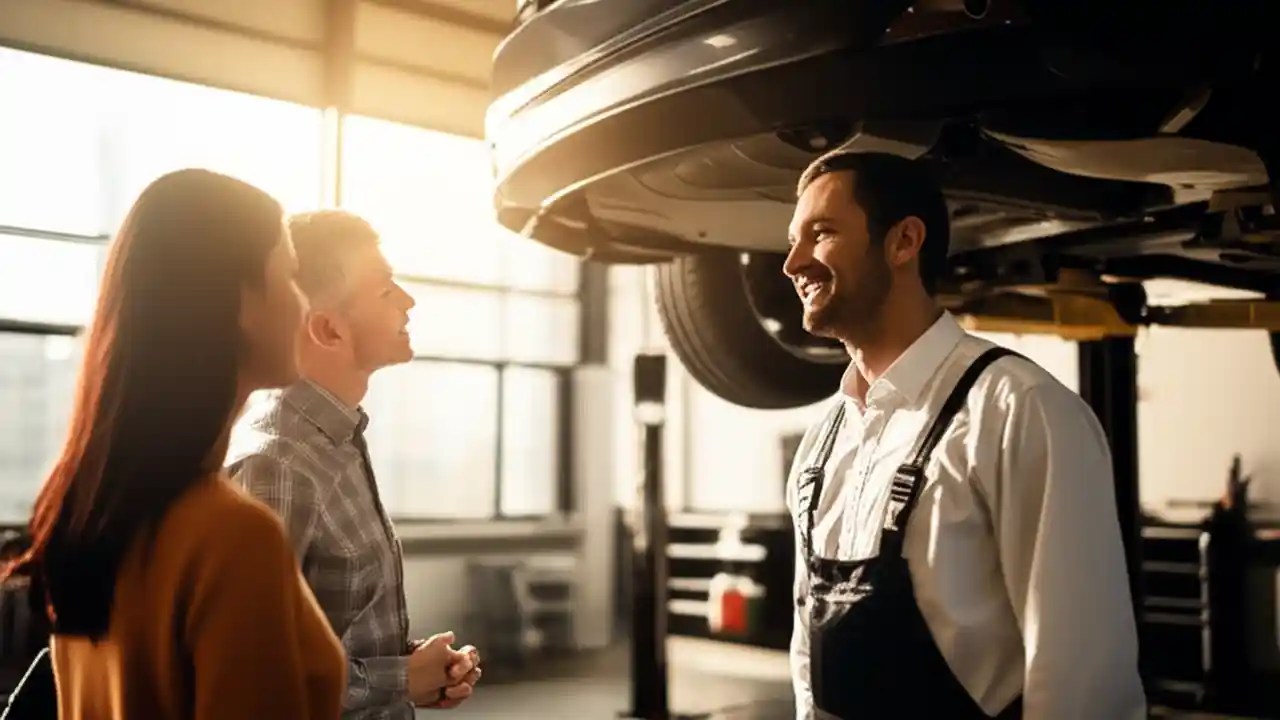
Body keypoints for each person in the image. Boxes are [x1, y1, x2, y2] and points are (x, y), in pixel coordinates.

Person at [782, 151, 1147, 719]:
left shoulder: (1018, 411)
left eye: (821, 233)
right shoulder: (824, 439)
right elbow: (810, 653)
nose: (792, 263)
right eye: (793, 240)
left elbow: (1080, 673)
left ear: (904, 241)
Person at [0, 169, 347, 718]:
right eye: (292, 277)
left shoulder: (92, 511)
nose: (304, 306)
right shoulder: (232, 536)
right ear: (238, 299)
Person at [227, 210, 481, 719]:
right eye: (387, 291)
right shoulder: (276, 466)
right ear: (328, 329)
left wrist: (416, 671)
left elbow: (332, 633)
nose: (408, 302)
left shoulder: (339, 441)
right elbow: (253, 676)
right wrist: (401, 679)